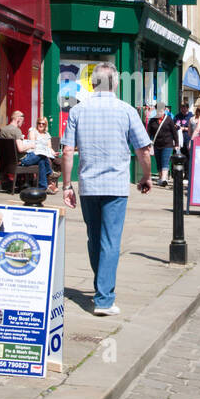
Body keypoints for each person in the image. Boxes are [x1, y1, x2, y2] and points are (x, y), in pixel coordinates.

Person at [60, 62, 153, 317]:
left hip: (88, 186)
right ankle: (103, 300)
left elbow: (67, 150)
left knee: (94, 238)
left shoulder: (78, 111)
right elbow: (143, 150)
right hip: (115, 186)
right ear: (115, 83)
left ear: (93, 84)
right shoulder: (126, 111)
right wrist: (146, 176)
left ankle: (101, 284)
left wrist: (67, 186)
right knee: (110, 241)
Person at [3, 108, 53, 192]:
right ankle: (48, 175)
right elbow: (20, 149)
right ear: (18, 119)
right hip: (22, 160)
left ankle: (43, 186)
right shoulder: (16, 131)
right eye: (22, 121)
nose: (23, 123)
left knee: (41, 161)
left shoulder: (3, 130)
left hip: (8, 161)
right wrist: (31, 144)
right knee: (42, 156)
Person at [27, 115, 59, 193]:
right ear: (37, 124)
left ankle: (43, 187)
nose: (41, 125)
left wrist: (53, 152)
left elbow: (49, 147)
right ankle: (50, 176)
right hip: (35, 153)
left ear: (45, 125)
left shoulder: (47, 134)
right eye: (39, 123)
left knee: (42, 160)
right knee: (43, 158)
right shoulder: (33, 131)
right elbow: (32, 143)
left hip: (44, 153)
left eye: (43, 124)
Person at [150, 103, 177, 185]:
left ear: (164, 110)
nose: (159, 112)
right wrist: (149, 145)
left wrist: (177, 144)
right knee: (159, 162)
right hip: (156, 144)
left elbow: (174, 132)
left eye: (161, 110)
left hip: (167, 144)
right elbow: (148, 133)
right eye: (158, 110)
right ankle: (161, 177)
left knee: (165, 161)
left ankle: (164, 179)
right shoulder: (152, 120)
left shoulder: (169, 119)